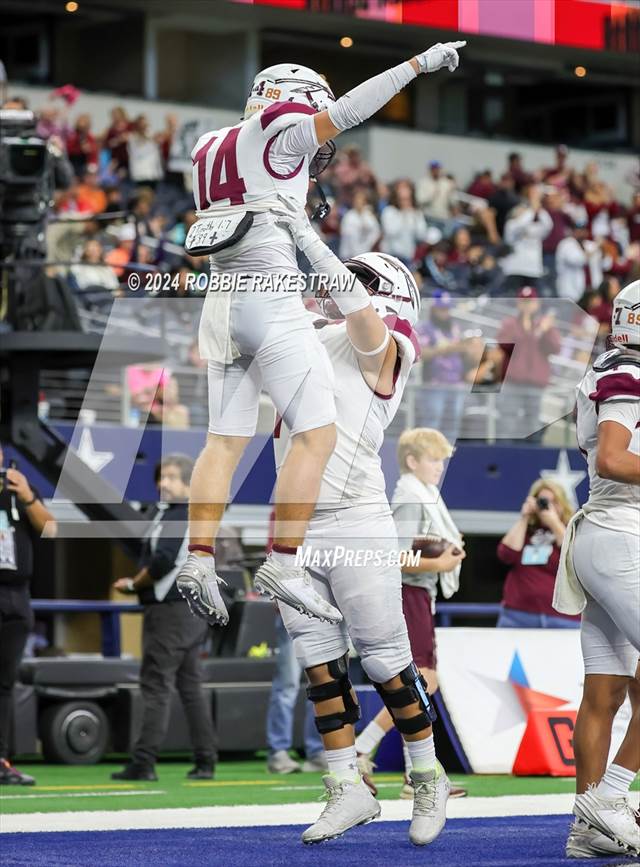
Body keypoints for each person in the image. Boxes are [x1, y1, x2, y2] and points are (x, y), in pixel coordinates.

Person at [176, 43, 467, 629]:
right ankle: (285, 562)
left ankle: (197, 556)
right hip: (270, 295)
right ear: (293, 100)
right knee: (317, 435)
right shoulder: (280, 129)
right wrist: (418, 65)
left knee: (223, 441)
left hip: (221, 302)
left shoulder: (208, 143)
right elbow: (352, 110)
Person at [274, 212, 450, 848]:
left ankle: (426, 775)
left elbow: (359, 315)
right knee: (320, 665)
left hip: (355, 519)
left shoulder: (390, 343)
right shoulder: (310, 336)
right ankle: (346, 785)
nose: (332, 286)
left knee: (384, 659)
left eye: (355, 279)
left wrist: (307, 238)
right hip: (296, 523)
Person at [553, 279, 640, 858]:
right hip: (622, 532)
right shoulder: (629, 370)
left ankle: (586, 830)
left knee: (604, 691)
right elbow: (613, 457)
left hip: (605, 533)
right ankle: (609, 798)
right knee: (604, 693)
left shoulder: (613, 365)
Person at [355, 428, 466, 799]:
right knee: (423, 681)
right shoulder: (410, 497)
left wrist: (442, 557)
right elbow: (396, 557)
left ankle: (413, 774)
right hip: (409, 591)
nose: (439, 466)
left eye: (441, 459)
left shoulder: (422, 494)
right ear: (412, 461)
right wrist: (440, 562)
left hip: (418, 591)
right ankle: (363, 749)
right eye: (433, 459)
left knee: (418, 682)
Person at [111, 455, 217, 782]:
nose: (162, 483)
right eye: (161, 477)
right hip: (190, 609)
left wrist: (134, 584)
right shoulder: (182, 512)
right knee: (191, 686)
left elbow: (162, 561)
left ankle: (143, 763)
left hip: (170, 612)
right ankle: (206, 761)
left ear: (188, 483)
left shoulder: (178, 514)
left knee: (156, 685)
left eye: (171, 477)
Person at [0, 445, 56, 786]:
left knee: (5, 683)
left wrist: (28, 497)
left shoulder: (18, 489)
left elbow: (51, 530)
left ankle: (1, 761)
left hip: (17, 595)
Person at [496, 480, 578, 629]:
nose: (548, 506)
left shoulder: (571, 530)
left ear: (563, 504)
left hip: (563, 618)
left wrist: (554, 523)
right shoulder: (526, 531)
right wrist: (525, 517)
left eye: (554, 502)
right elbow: (506, 554)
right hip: (519, 615)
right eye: (543, 501)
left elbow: (575, 557)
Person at [495, 286, 562, 443]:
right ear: (518, 303)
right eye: (524, 302)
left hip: (535, 384)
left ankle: (532, 456)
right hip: (513, 381)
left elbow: (555, 347)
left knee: (533, 425)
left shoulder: (545, 325)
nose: (527, 305)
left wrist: (545, 330)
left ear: (537, 304)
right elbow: (504, 345)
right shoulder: (510, 324)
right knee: (507, 423)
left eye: (530, 302)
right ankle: (503, 454)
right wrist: (534, 333)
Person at [266, 614, 326, 774]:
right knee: (287, 687)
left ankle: (318, 751)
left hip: (322, 618)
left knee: (321, 686)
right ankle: (278, 752)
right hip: (293, 614)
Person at [500, 184, 553, 295]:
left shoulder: (534, 228)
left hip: (533, 270)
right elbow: (521, 224)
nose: (523, 211)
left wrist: (539, 209)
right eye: (520, 211)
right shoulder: (511, 225)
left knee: (534, 302)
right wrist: (532, 209)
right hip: (515, 270)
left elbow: (548, 225)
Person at [380, 180, 428, 265]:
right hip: (389, 256)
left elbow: (421, 235)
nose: (405, 202)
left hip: (407, 256)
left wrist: (414, 218)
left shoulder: (416, 213)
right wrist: (403, 214)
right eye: (402, 199)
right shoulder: (389, 211)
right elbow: (391, 232)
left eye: (407, 199)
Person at [339, 189, 380, 260]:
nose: (359, 202)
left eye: (361, 200)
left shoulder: (368, 216)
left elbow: (376, 232)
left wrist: (369, 244)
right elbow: (345, 233)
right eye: (357, 200)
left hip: (365, 253)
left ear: (365, 202)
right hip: (348, 255)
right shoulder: (349, 216)